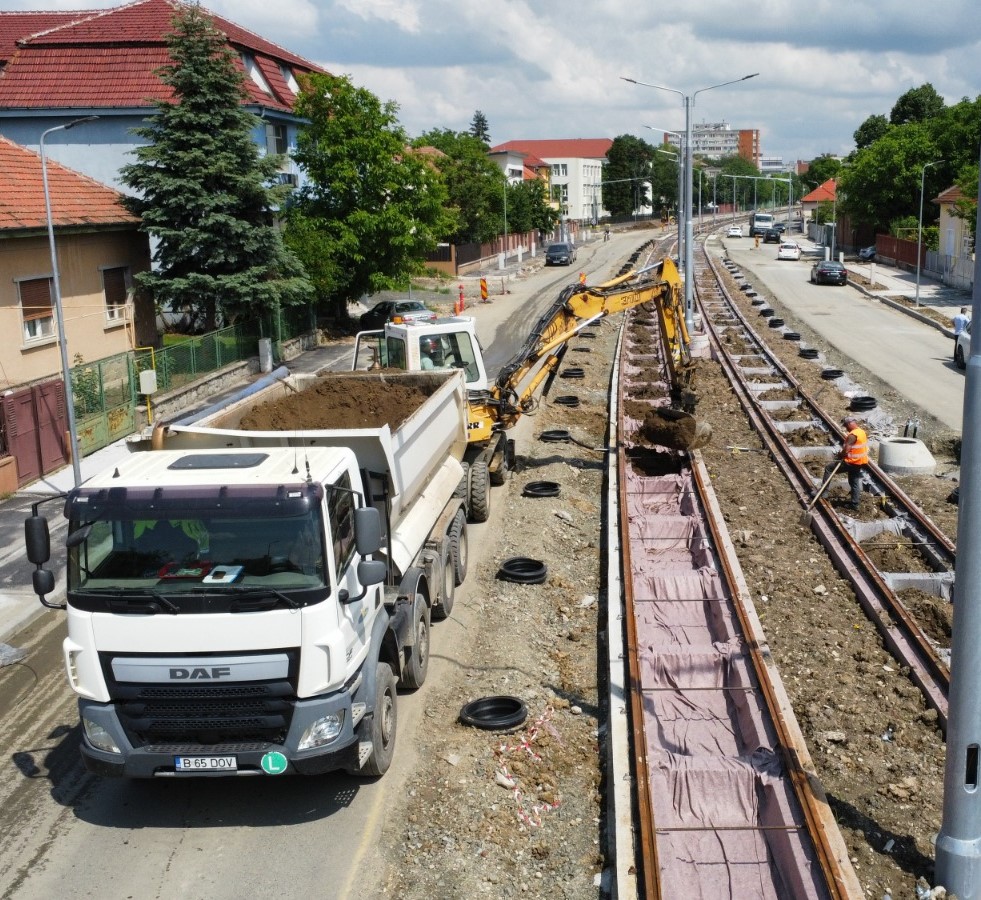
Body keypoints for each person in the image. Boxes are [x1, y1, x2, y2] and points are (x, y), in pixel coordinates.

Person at [823, 416, 869, 511]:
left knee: (829, 468)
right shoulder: (861, 432)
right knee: (854, 482)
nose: (846, 428)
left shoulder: (852, 435)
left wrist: (840, 455)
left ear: (849, 424)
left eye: (846, 426)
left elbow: (846, 450)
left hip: (851, 462)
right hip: (859, 462)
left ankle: (824, 493)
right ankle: (855, 504)